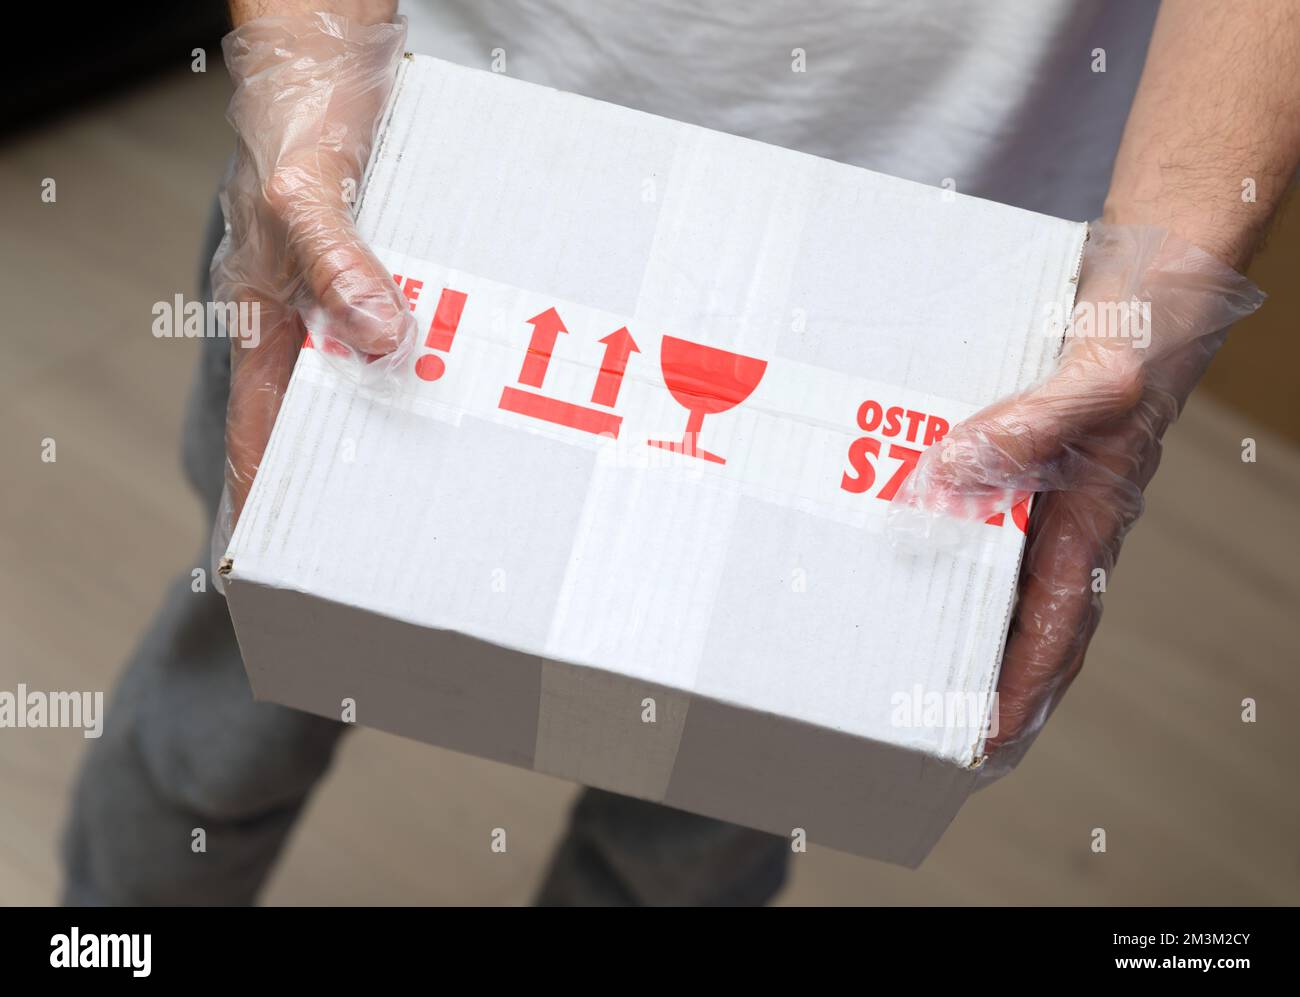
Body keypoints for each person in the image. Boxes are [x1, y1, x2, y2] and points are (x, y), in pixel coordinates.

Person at [63, 0, 1298, 904]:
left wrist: (1160, 284)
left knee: (696, 832)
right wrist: (304, 52)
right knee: (238, 696)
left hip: (931, 292)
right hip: (421, 176)